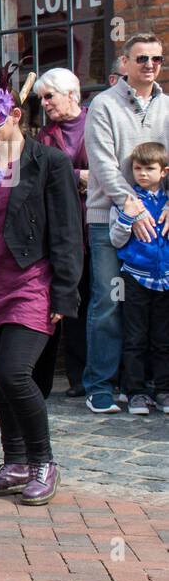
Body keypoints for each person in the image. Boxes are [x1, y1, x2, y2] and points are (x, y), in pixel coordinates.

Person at [0, 49, 84, 506]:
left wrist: (66, 294)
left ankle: (44, 462)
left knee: (14, 373)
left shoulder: (50, 164)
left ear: (15, 115)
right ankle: (15, 463)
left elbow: (68, 233)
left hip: (32, 283)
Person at [83, 33, 169, 415]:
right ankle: (100, 385)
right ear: (125, 62)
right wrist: (131, 206)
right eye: (142, 58)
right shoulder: (103, 104)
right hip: (109, 218)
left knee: (152, 307)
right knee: (109, 303)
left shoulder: (167, 106)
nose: (150, 65)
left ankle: (143, 384)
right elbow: (101, 165)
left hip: (159, 221)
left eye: (156, 59)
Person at [34, 68, 92, 397]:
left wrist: (77, 176)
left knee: (98, 303)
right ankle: (76, 377)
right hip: (64, 229)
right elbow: (44, 178)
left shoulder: (94, 122)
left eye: (49, 96)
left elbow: (104, 170)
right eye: (41, 98)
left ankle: (99, 376)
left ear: (71, 94)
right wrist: (77, 177)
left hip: (95, 222)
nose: (44, 103)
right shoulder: (45, 135)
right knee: (70, 301)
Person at [109, 142, 169, 415]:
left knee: (163, 338)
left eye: (149, 169)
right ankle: (135, 392)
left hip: (165, 279)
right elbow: (116, 239)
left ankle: (163, 389)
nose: (142, 174)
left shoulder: (167, 201)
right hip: (135, 277)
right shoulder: (129, 200)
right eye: (137, 169)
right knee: (134, 337)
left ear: (164, 171)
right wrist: (126, 217)